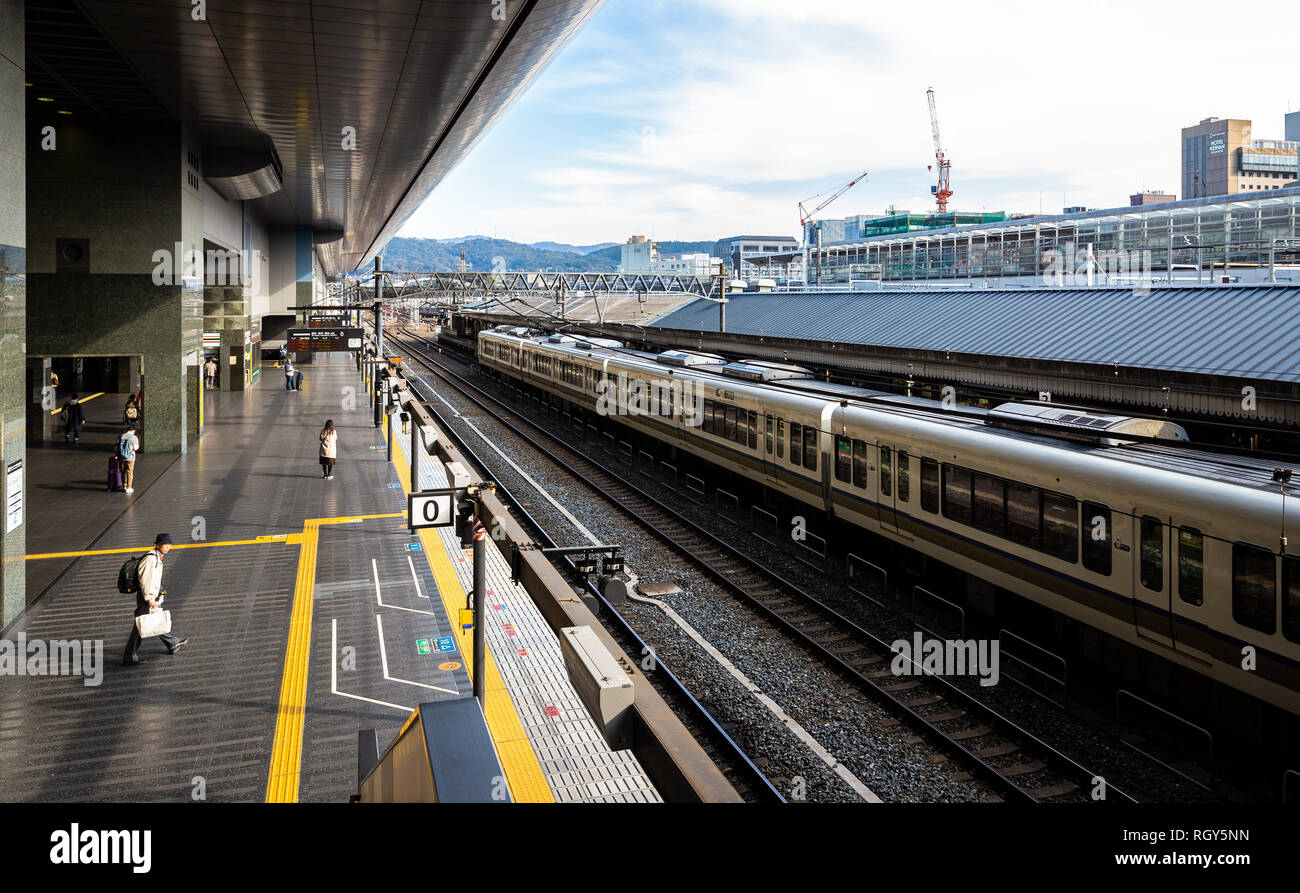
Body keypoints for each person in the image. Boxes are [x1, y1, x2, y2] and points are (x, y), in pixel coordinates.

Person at [122, 533, 188, 666]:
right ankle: (130, 656)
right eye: (166, 545)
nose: (168, 547)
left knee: (149, 620)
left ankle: (172, 643)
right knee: (141, 624)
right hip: (147, 597)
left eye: (169, 545)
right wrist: (150, 598)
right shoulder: (151, 560)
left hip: (149, 596)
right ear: (158, 545)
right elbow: (147, 580)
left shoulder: (156, 557)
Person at [117, 424, 141, 494]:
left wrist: (117, 454)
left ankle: (124, 486)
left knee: (123, 472)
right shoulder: (134, 437)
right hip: (130, 458)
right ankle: (129, 487)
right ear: (133, 431)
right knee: (129, 472)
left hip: (121, 457)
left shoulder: (120, 437)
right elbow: (136, 448)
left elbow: (116, 447)